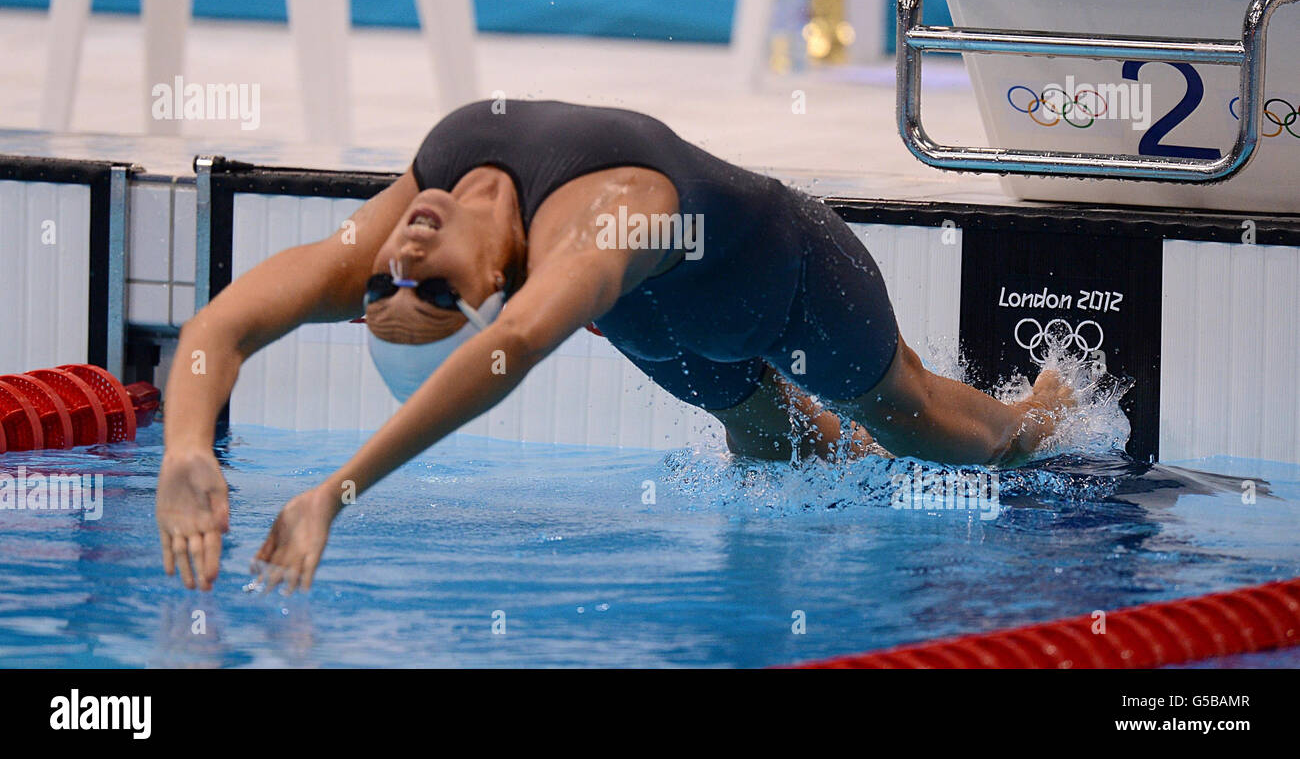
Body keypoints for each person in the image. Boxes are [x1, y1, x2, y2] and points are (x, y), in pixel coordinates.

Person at [156, 99, 1072, 592]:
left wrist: (290, 478)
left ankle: (1035, 419)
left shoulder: (599, 216)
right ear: (492, 287)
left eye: (386, 284)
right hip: (662, 326)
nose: (401, 256)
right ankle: (842, 464)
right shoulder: (538, 266)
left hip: (791, 282)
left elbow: (228, 323)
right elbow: (509, 347)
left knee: (917, 423)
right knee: (765, 450)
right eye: (430, 292)